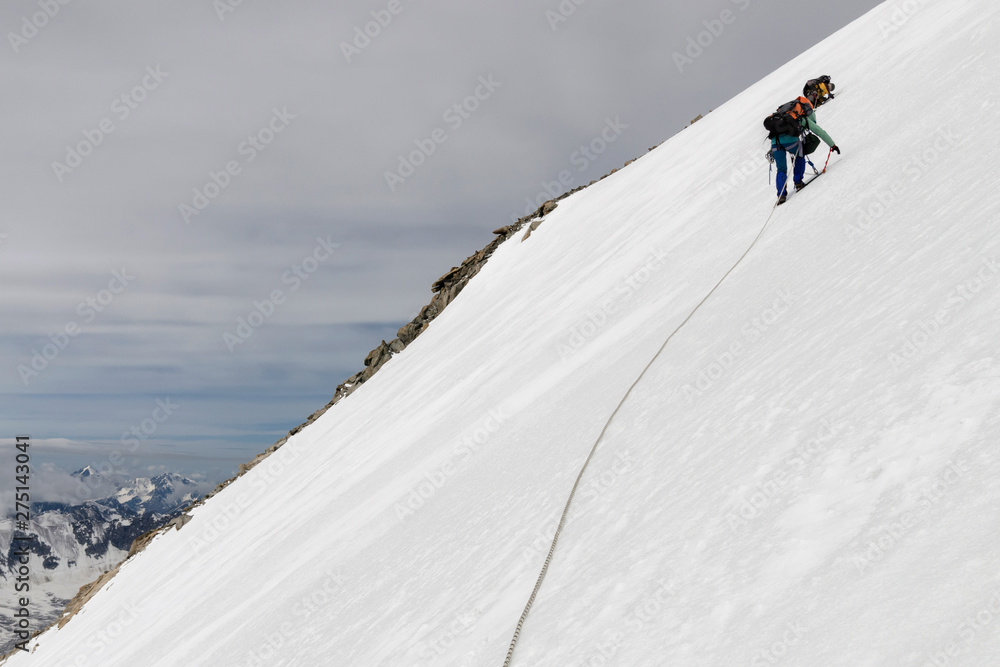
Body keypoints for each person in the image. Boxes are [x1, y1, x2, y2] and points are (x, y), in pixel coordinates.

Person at [770, 96, 840, 204]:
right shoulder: (802, 119)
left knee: (781, 169)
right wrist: (833, 145)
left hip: (775, 143)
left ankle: (781, 195)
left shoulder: (782, 117)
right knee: (799, 156)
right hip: (791, 141)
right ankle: (798, 182)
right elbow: (819, 131)